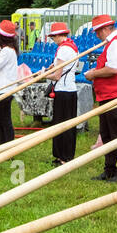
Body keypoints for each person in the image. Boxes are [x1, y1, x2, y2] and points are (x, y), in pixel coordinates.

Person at [84, 14, 117, 182]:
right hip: (109, 95)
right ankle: (110, 170)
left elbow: (113, 69)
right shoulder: (112, 43)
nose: (97, 35)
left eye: (98, 32)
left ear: (106, 29)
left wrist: (93, 74)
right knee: (107, 134)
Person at [45, 22, 80, 165]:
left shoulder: (63, 49)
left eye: (54, 37)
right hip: (71, 90)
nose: (53, 40)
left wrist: (43, 75)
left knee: (60, 124)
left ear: (60, 35)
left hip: (63, 90)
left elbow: (57, 75)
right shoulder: (73, 47)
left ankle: (62, 158)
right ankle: (67, 156)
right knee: (69, 124)